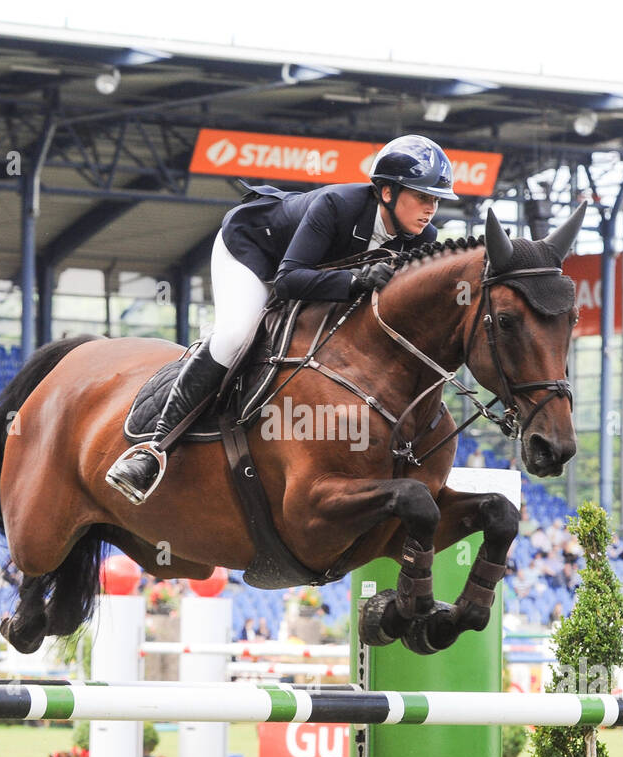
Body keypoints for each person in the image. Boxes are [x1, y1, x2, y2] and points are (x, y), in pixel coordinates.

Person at [106, 134, 453, 505]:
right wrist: (355, 281)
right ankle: (154, 449)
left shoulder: (422, 237)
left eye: (435, 200)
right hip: (254, 252)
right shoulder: (336, 205)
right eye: (422, 197)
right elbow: (288, 281)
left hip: (312, 277)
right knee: (236, 335)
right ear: (387, 192)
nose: (430, 209)